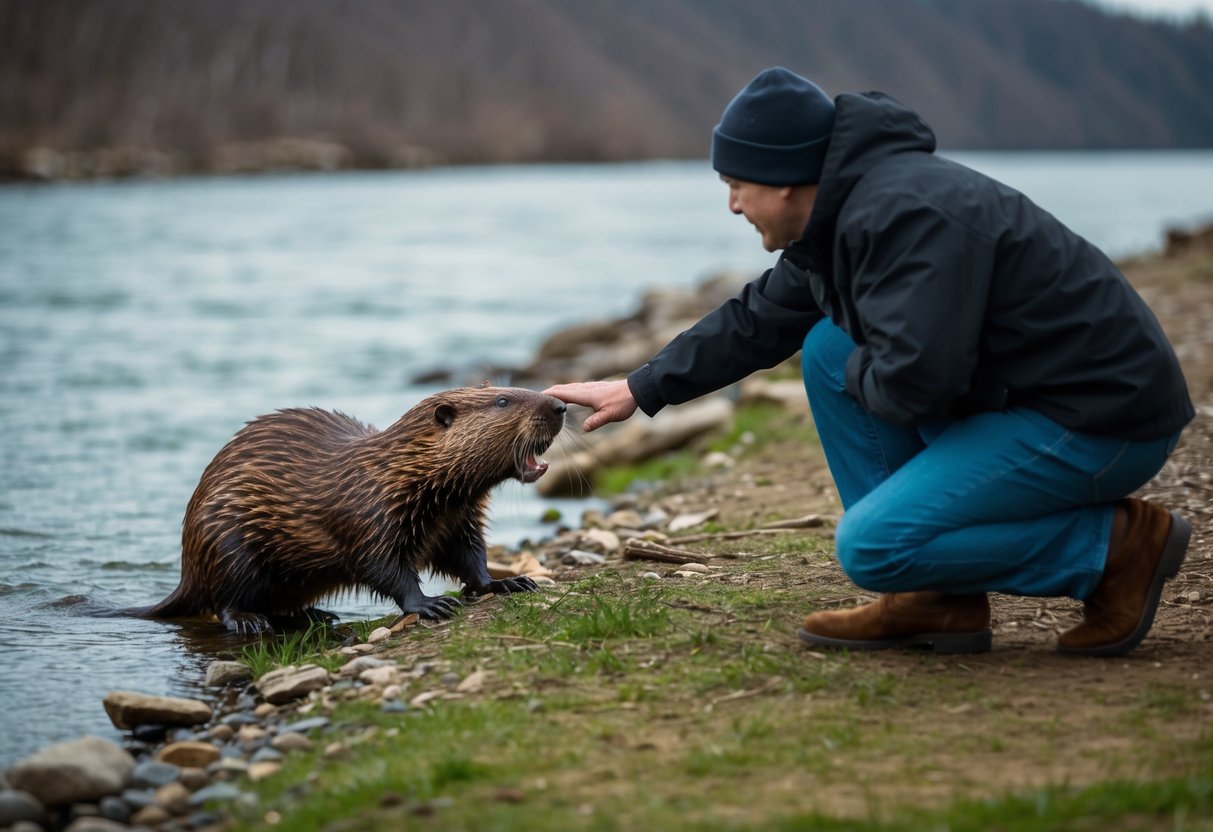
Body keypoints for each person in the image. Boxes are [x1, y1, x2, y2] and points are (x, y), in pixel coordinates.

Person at [544, 67, 1195, 657]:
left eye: (737, 185)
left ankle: (1112, 550)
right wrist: (640, 386)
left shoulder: (907, 215)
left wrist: (864, 359)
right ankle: (933, 600)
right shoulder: (841, 213)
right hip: (1032, 399)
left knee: (871, 545)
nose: (733, 205)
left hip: (1103, 421)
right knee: (829, 346)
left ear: (785, 180)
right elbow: (759, 318)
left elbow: (916, 384)